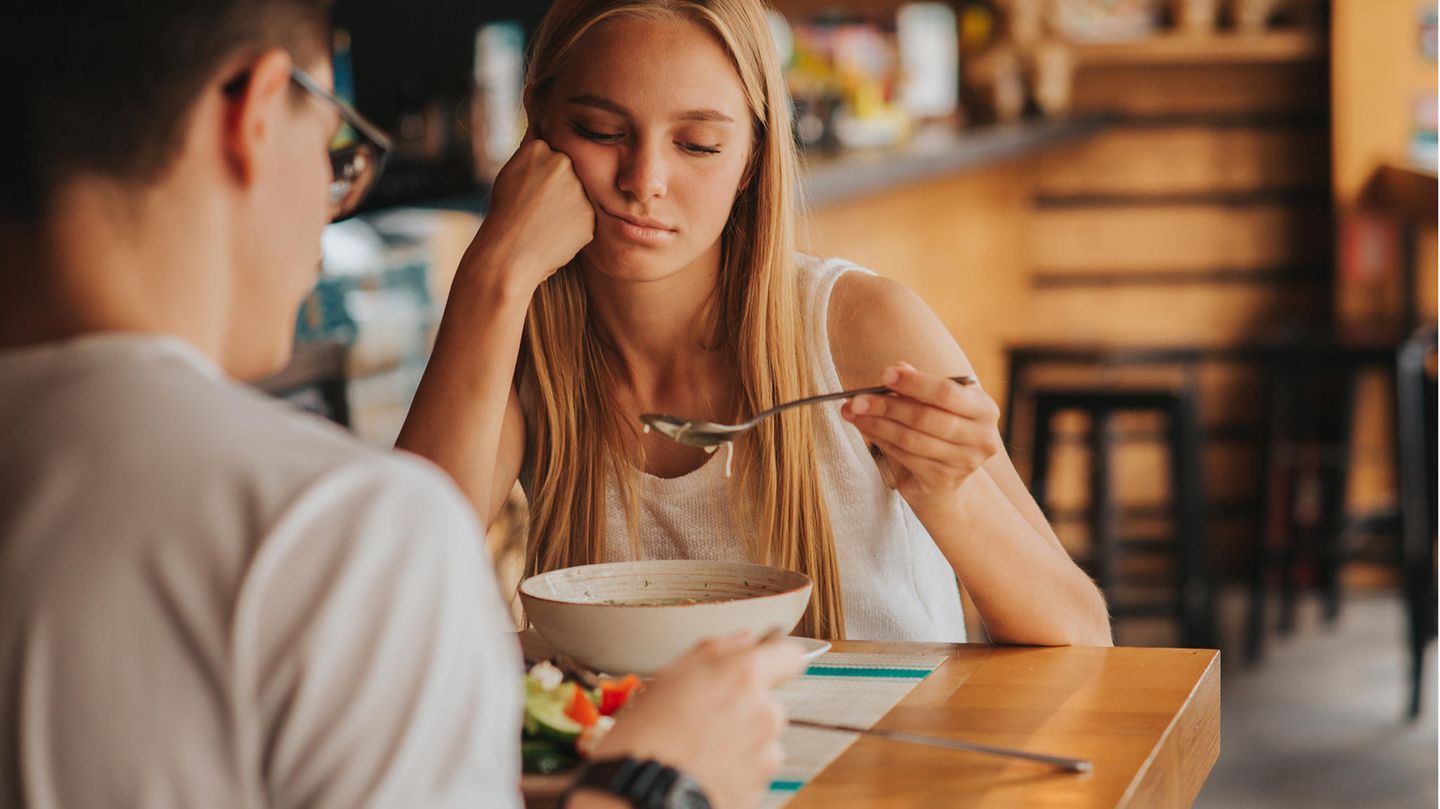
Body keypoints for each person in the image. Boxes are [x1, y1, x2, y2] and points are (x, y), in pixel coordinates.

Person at [0, 2, 802, 808]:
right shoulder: (330, 527)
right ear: (254, 111)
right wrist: (658, 780)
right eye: (331, 142)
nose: (329, 200)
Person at [398, 0, 1113, 647]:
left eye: (698, 145)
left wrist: (950, 494)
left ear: (748, 160)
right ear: (538, 128)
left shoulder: (861, 329)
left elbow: (1082, 636)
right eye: (600, 130)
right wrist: (492, 272)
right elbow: (390, 592)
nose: (644, 179)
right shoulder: (522, 348)